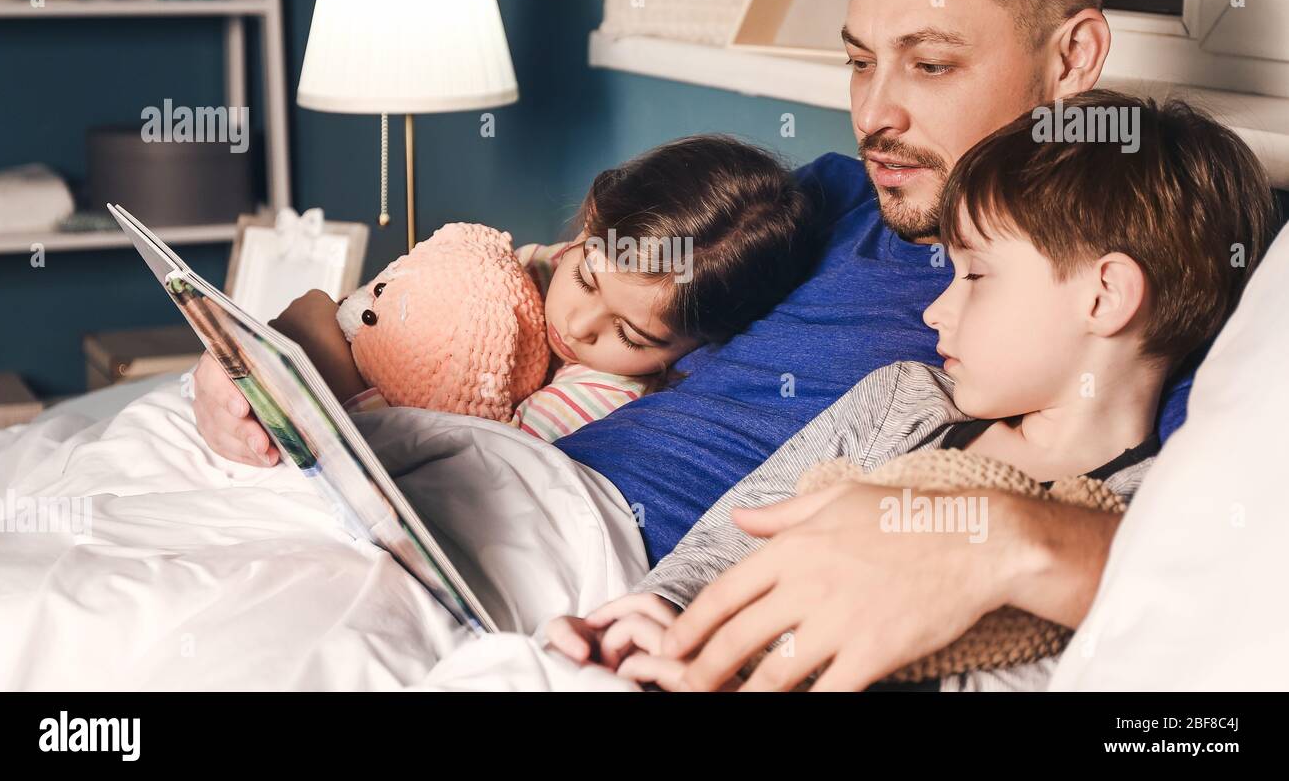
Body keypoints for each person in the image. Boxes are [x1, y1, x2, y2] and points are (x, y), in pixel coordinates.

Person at [192, 0, 1198, 689]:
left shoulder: (1104, 294)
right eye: (858, 59)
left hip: (574, 566)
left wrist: (994, 535)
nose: (874, 113)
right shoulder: (826, 199)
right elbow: (543, 287)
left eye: (929, 63)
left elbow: (1215, 567)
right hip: (487, 497)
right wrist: (283, 357)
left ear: (1070, 60)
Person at [545, 91, 1277, 690]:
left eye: (977, 276)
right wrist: (659, 610)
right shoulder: (902, 398)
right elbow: (741, 527)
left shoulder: (1152, 516)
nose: (935, 312)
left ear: (1105, 296)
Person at [195, 134, 817, 455]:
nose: (577, 325)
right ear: (589, 221)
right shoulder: (523, 266)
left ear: (692, 350)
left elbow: (478, 454)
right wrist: (259, 347)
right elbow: (367, 317)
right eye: (587, 278)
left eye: (629, 335)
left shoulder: (603, 391)